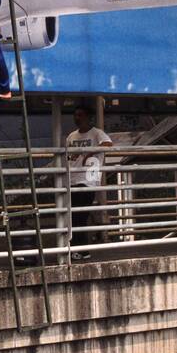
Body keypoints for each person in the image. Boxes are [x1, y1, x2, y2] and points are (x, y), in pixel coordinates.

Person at [65, 104, 113, 260]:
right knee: (74, 216)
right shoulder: (71, 136)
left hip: (88, 180)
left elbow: (108, 144)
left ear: (87, 117)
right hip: (72, 179)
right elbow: (66, 155)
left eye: (80, 115)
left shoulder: (96, 133)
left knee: (80, 215)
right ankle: (81, 249)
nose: (77, 118)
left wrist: (90, 151)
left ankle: (81, 249)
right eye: (75, 115)